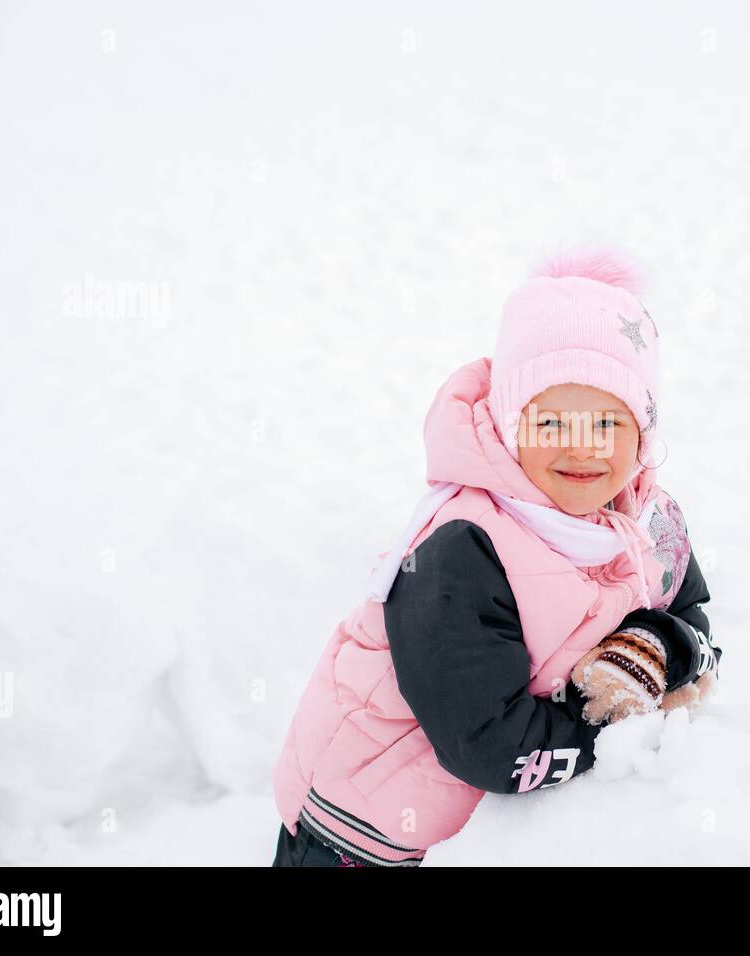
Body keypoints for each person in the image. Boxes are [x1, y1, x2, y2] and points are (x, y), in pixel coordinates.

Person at [270, 244, 722, 867]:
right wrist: (618, 733)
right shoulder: (463, 548)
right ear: (511, 425)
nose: (583, 450)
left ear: (642, 430)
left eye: (607, 424)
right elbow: (488, 747)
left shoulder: (647, 519)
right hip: (364, 833)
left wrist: (659, 646)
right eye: (551, 424)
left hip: (478, 825)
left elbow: (693, 617)